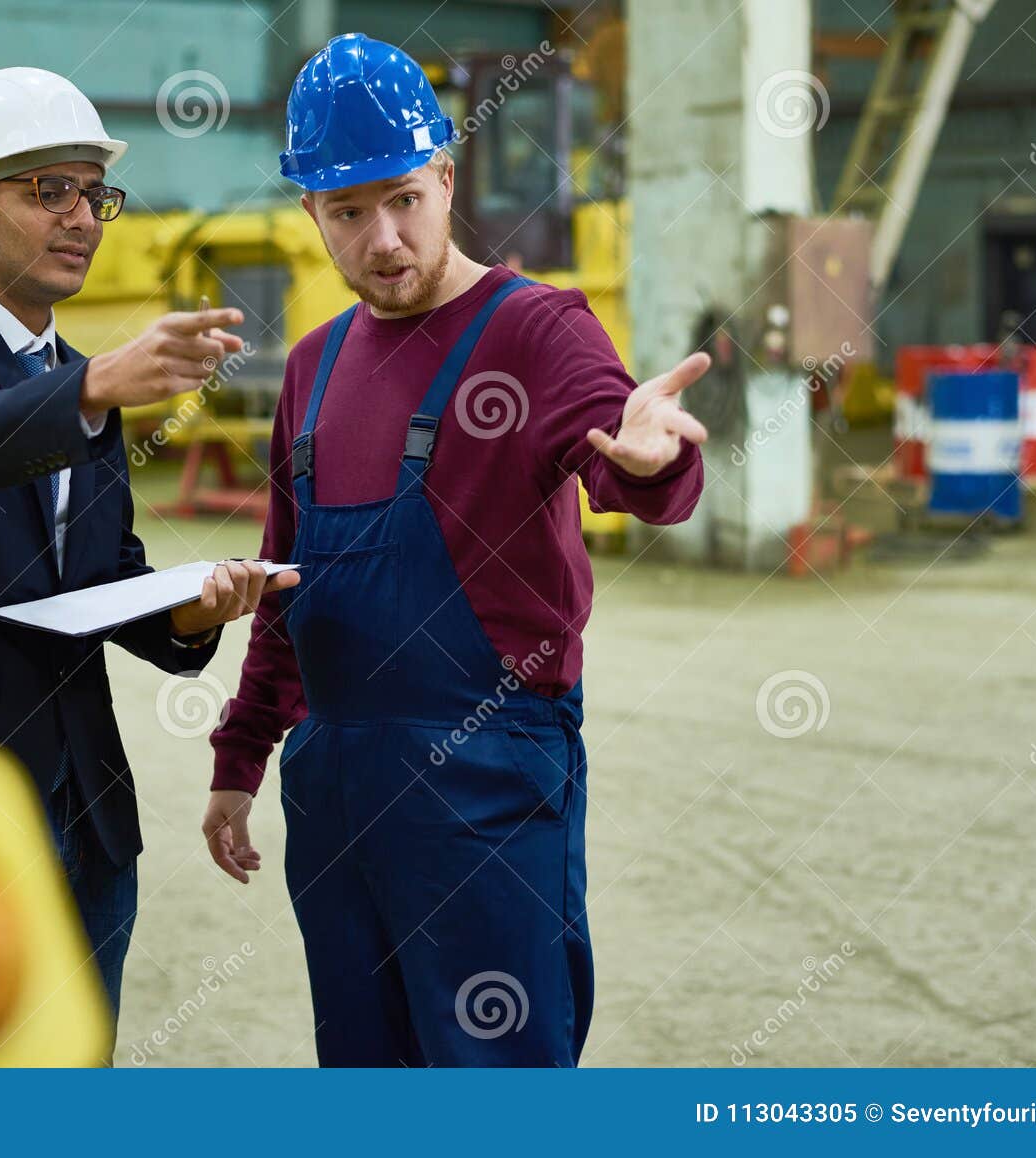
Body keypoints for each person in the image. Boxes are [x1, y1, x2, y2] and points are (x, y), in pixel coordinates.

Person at [201, 34, 709, 1066]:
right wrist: (240, 754)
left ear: (443, 176)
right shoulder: (313, 366)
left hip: (485, 782)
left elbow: (621, 466)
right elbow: (286, 583)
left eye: (402, 199)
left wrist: (655, 464)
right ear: (312, 214)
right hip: (336, 789)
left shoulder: (537, 332)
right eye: (347, 211)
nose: (381, 238)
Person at [0, 67, 296, 1021]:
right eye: (51, 190)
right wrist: (86, 395)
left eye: (95, 193)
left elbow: (97, 577)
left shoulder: (83, 381)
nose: (83, 217)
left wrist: (187, 611)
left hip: (84, 803)